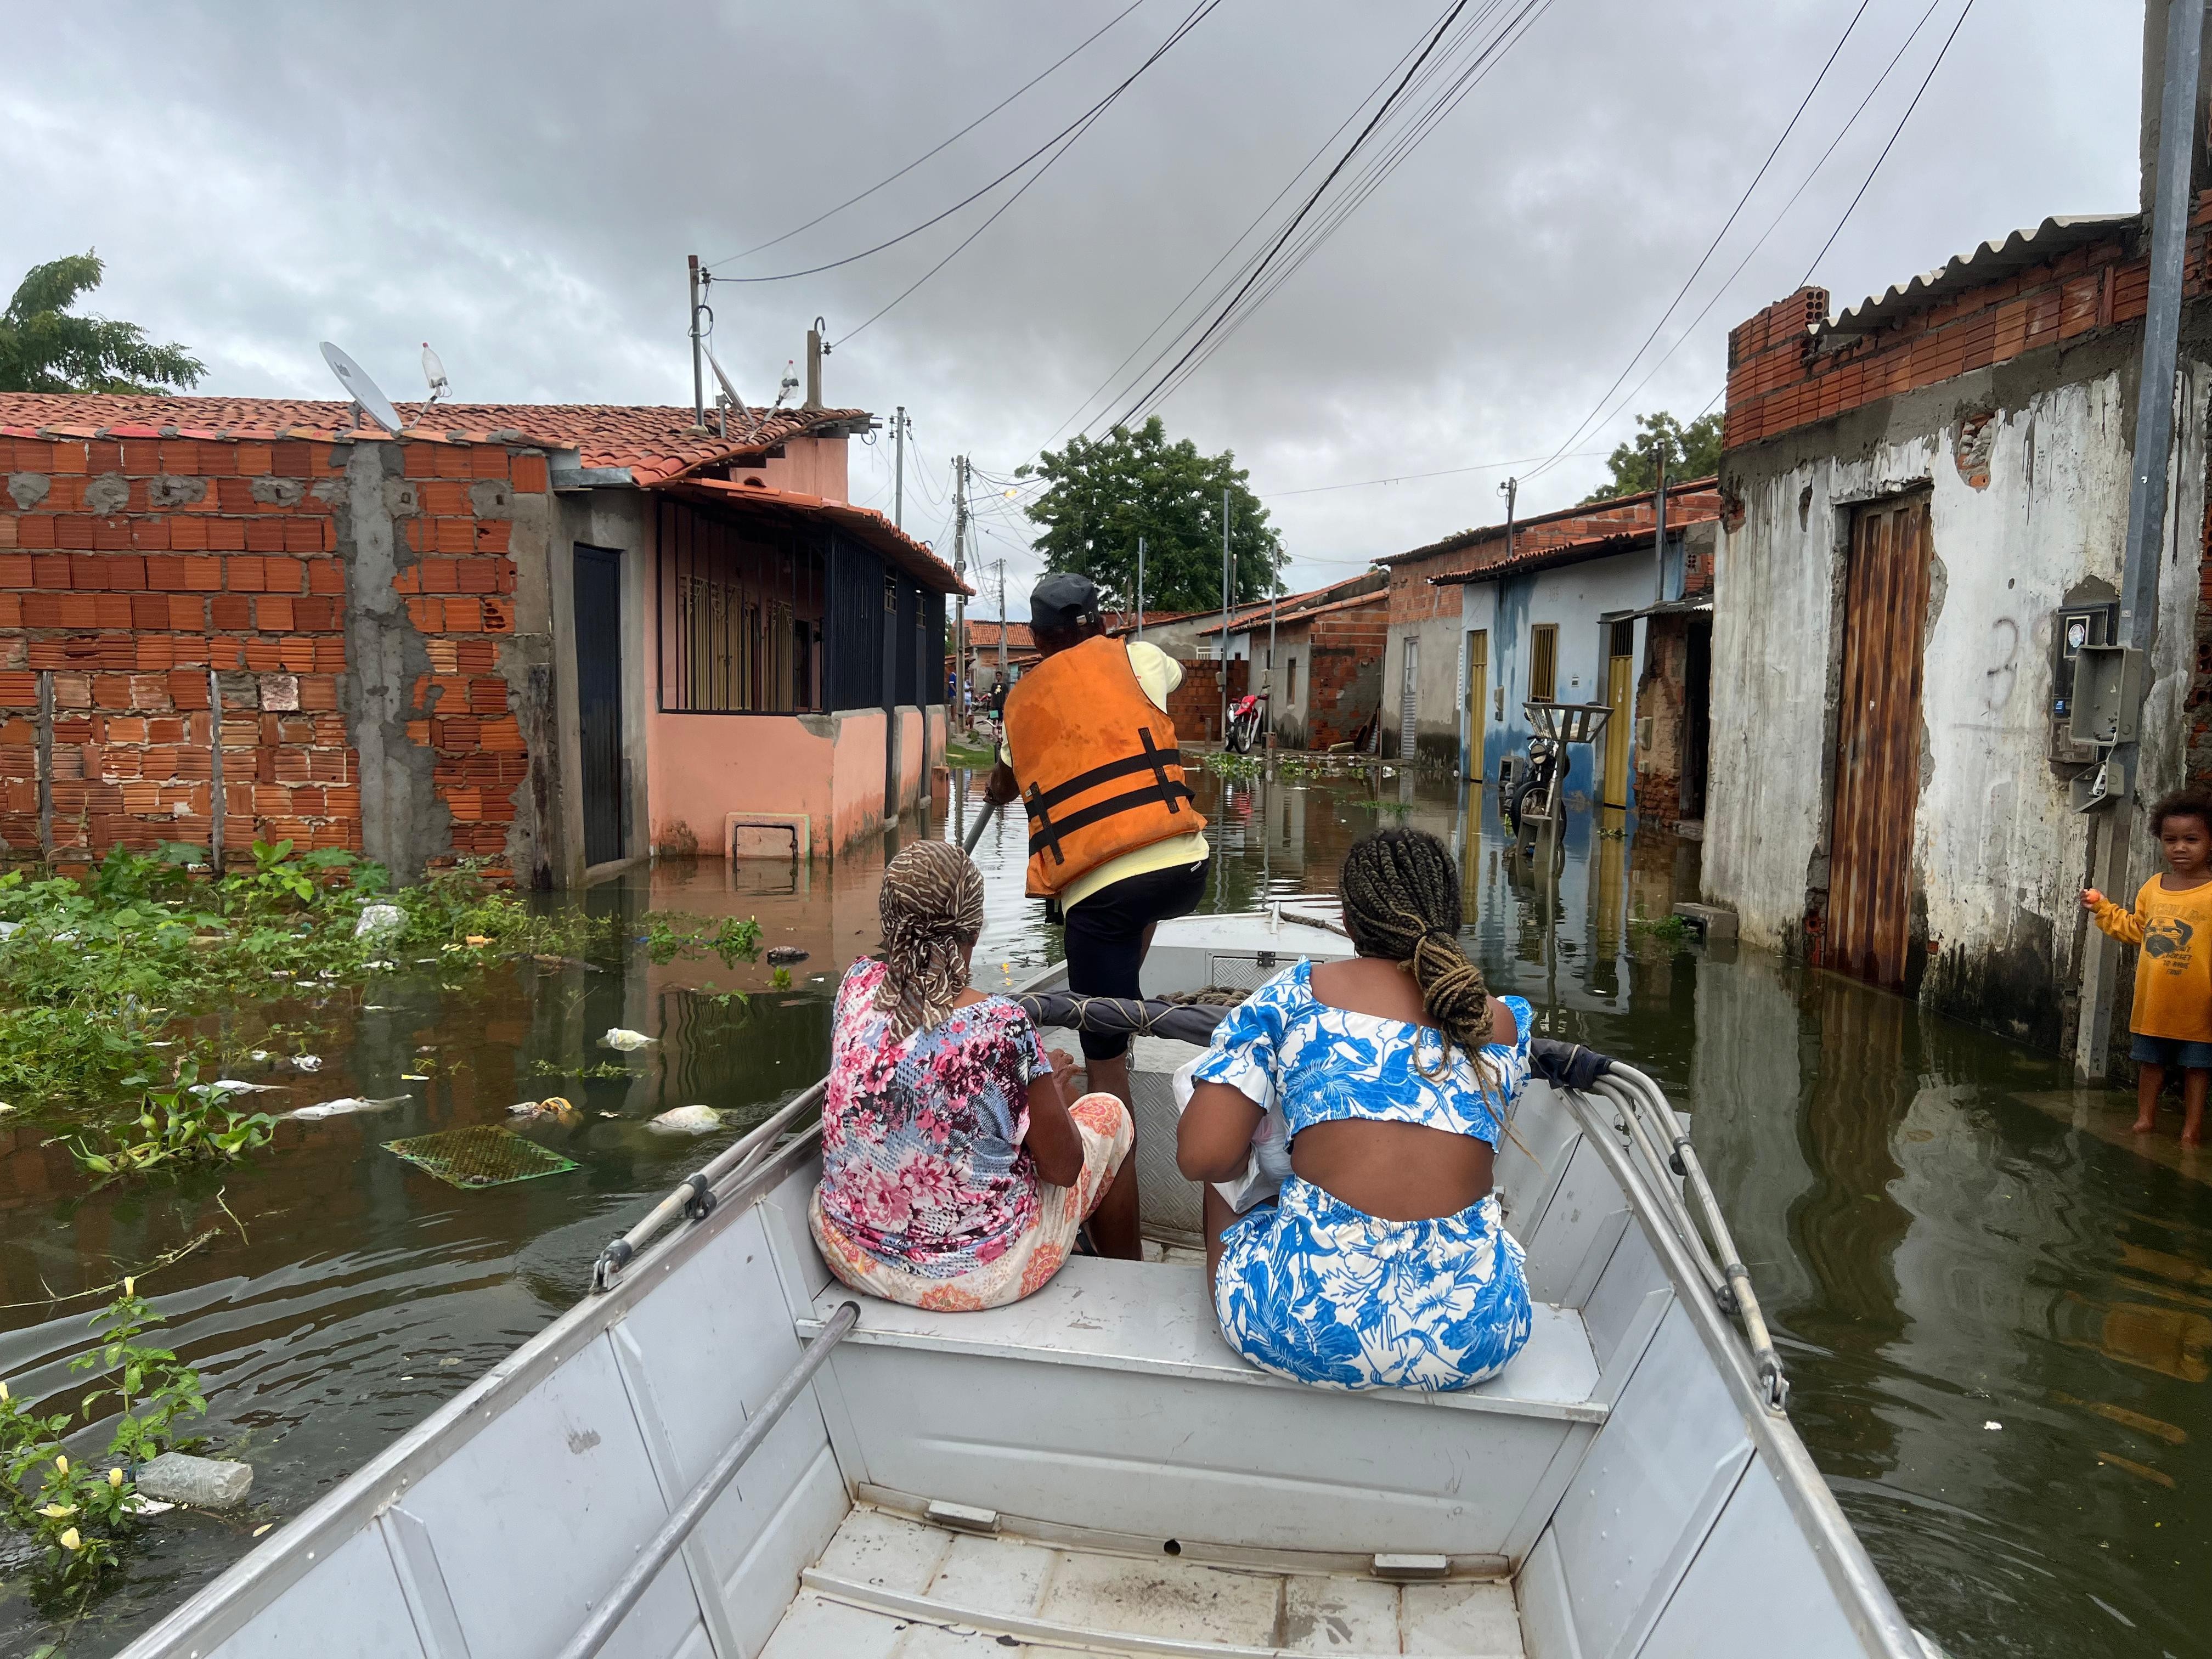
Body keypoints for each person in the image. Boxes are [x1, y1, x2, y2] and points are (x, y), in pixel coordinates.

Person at [1176, 828, 1534, 1392]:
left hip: (1306, 1330)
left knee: (1228, 1152)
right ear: (1453, 915)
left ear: (1347, 920)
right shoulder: (1500, 1022)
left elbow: (1203, 1158)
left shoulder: (1295, 995)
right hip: (1479, 1337)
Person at [985, 572, 1208, 1259]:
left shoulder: (1022, 703)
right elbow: (1174, 673)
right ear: (1100, 621)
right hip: (1187, 869)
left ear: (1039, 637)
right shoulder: (1139, 659)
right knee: (1131, 912)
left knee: (1107, 1086)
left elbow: (1000, 783)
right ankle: (1120, 1003)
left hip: (1103, 900)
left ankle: (1123, 1261)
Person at [810, 840, 1133, 1310]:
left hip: (851, 1255)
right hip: (977, 1276)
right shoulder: (1003, 1027)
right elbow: (1063, 1170)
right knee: (1110, 1114)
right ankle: (1129, 1289)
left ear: (887, 918)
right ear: (974, 929)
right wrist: (1052, 1097)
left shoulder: (856, 985)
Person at [2083, 787, 2212, 1144]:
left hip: (2199, 1006)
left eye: (2192, 839)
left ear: (2210, 841)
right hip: (2154, 1003)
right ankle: (2145, 1119)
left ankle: (2192, 1129)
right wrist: (2103, 909)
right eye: (2171, 840)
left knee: (2197, 1068)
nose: (2180, 847)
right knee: (2150, 1064)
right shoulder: (2154, 888)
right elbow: (2136, 930)